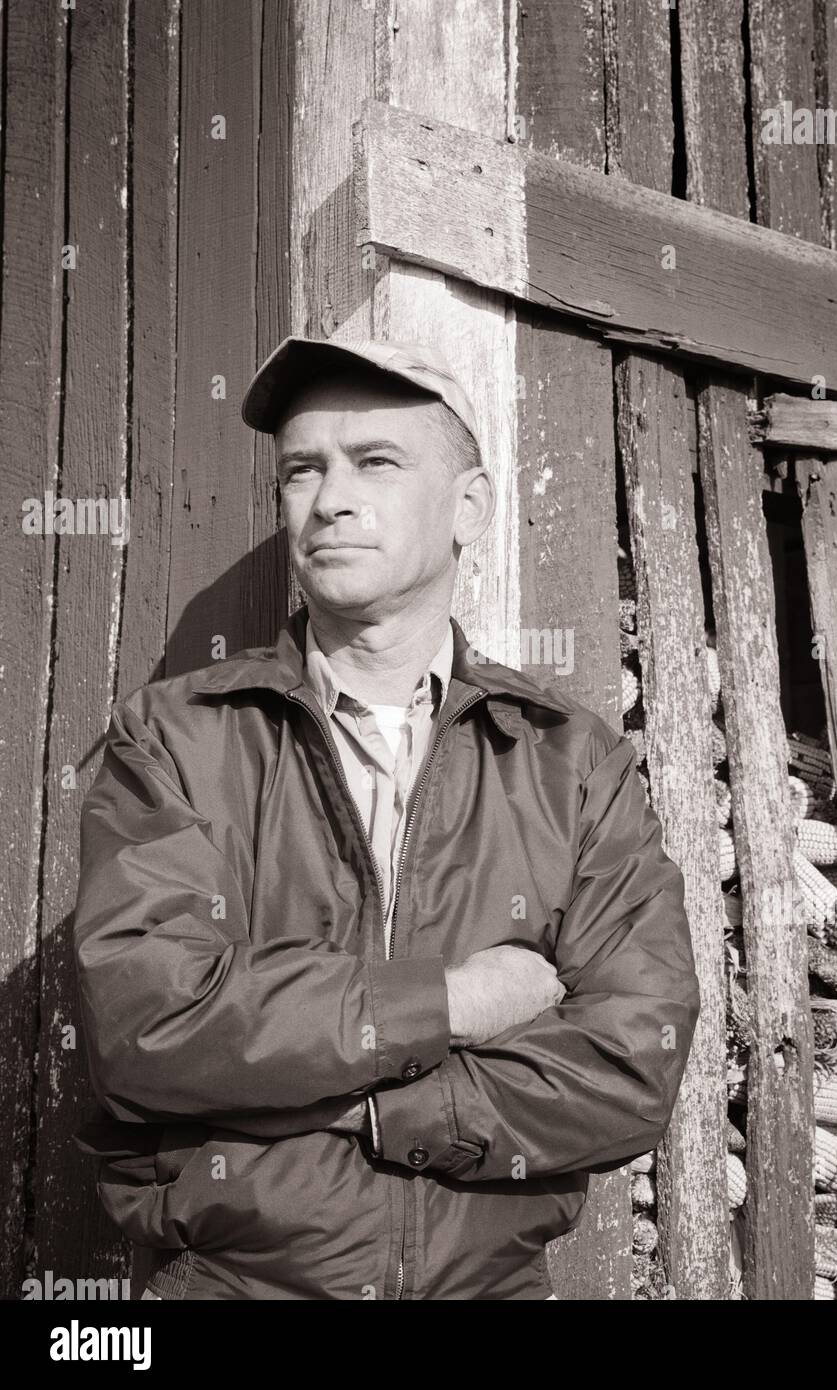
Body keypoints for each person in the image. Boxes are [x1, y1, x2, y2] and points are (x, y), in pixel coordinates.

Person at [72, 331, 701, 1300]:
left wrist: (372, 1112)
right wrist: (449, 1001)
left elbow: (629, 1065)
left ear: (469, 506)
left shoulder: (567, 760)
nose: (328, 499)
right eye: (301, 470)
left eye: (374, 461)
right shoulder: (175, 741)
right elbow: (148, 1025)